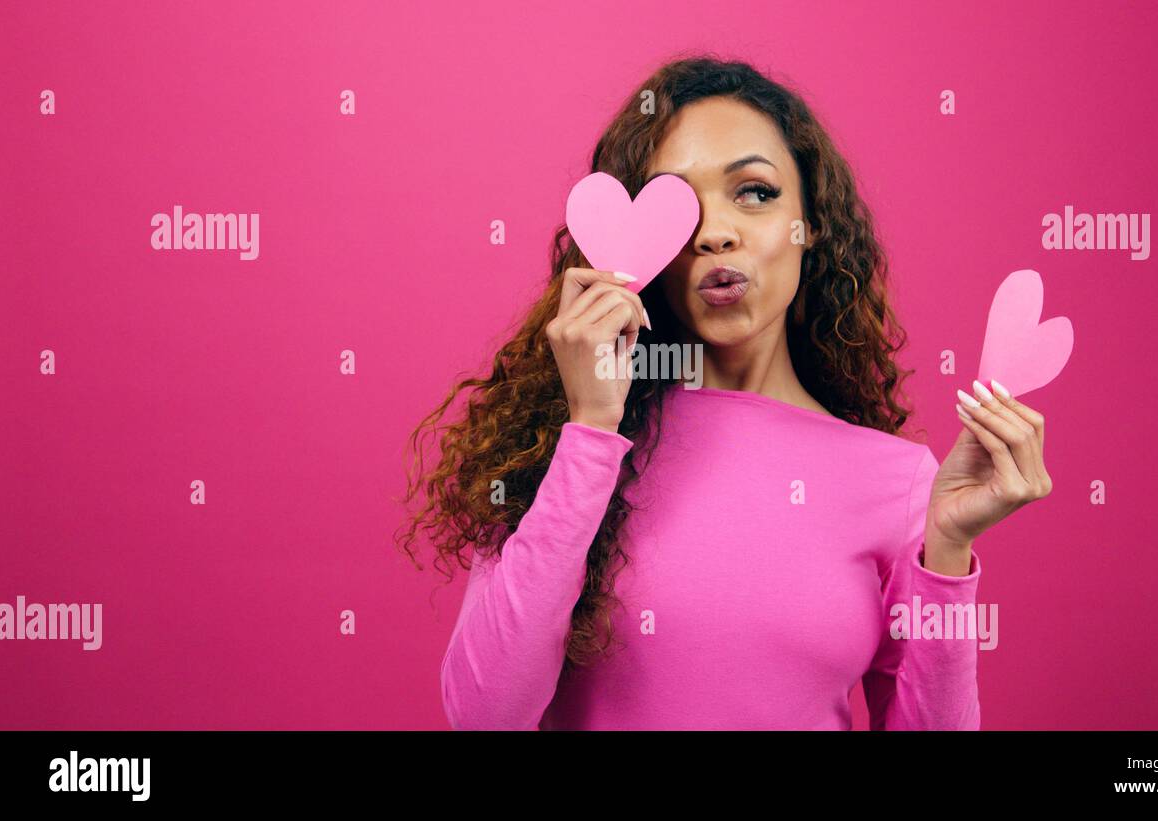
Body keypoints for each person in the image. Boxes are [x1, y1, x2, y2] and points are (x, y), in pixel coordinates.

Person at [397, 56, 1051, 730]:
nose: (715, 231)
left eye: (755, 192)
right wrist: (591, 426)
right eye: (680, 204)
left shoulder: (901, 480)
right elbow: (484, 713)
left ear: (812, 225)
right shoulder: (563, 440)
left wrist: (945, 553)